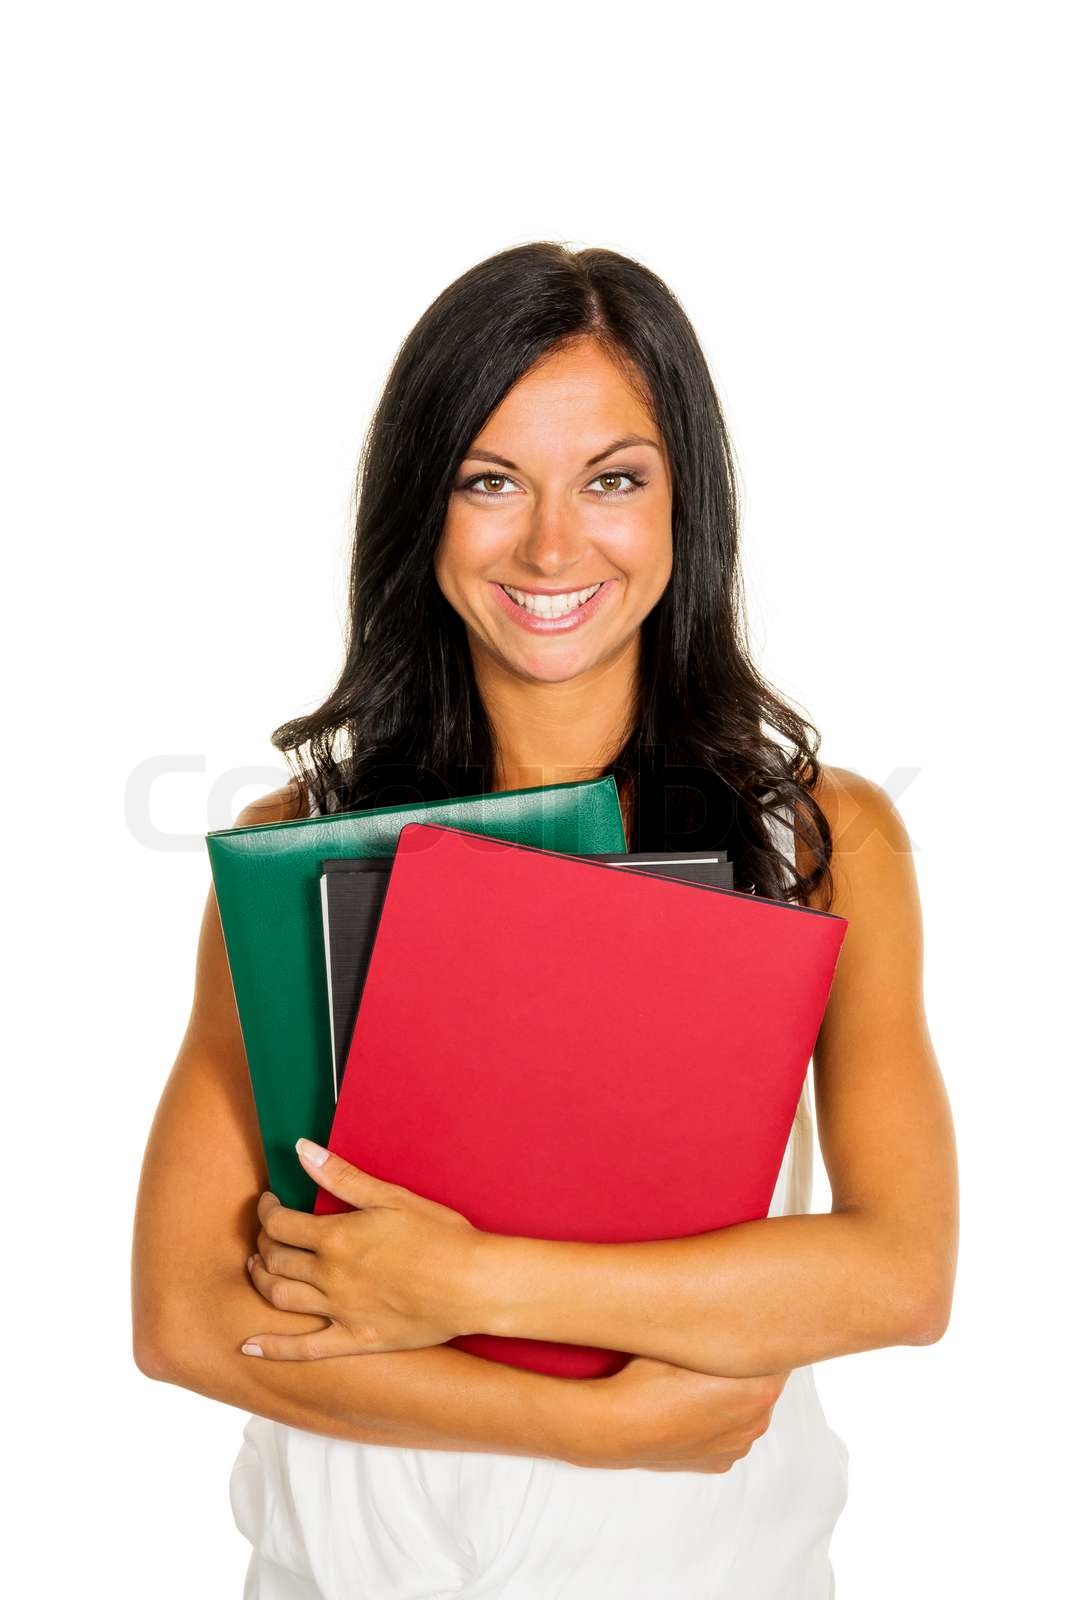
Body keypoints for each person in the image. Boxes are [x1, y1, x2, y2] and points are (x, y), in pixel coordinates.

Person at [131, 241, 959, 1598]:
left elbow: (898, 1273)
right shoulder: (302, 847)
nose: (554, 546)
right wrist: (599, 1424)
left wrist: (469, 1283)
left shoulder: (817, 838)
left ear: (688, 503)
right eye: (491, 481)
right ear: (423, 507)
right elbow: (181, 1318)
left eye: (613, 479)